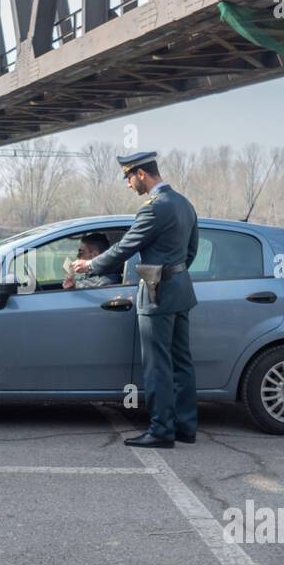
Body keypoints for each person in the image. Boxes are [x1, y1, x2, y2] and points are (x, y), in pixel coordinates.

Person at [71, 151, 199, 449]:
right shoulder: (184, 203)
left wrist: (89, 265)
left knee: (156, 365)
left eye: (128, 178)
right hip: (180, 289)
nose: (128, 185)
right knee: (182, 362)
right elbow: (191, 251)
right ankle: (185, 426)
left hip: (157, 292)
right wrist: (174, 273)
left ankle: (161, 431)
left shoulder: (154, 209)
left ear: (142, 174)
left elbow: (125, 247)